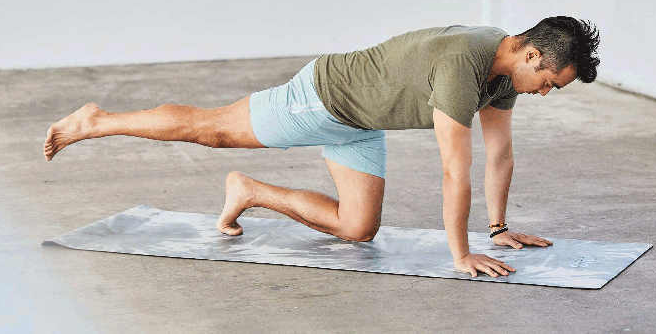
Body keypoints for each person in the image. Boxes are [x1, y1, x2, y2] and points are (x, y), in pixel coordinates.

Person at [44, 16, 600, 278]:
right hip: (324, 97)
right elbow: (456, 170)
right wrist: (461, 256)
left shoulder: (504, 75)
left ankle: (248, 191)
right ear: (532, 55)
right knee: (210, 130)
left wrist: (498, 230)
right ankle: (97, 121)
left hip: (362, 121)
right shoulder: (465, 64)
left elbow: (500, 153)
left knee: (358, 228)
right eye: (550, 83)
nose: (545, 93)